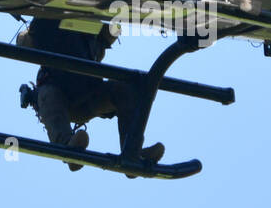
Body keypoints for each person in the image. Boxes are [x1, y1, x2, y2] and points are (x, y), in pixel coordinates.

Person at [19, 16, 164, 171]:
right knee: (47, 94)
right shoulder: (46, 24)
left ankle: (132, 150)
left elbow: (114, 29)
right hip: (62, 98)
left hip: (90, 96)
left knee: (124, 89)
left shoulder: (94, 37)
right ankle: (68, 150)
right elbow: (24, 43)